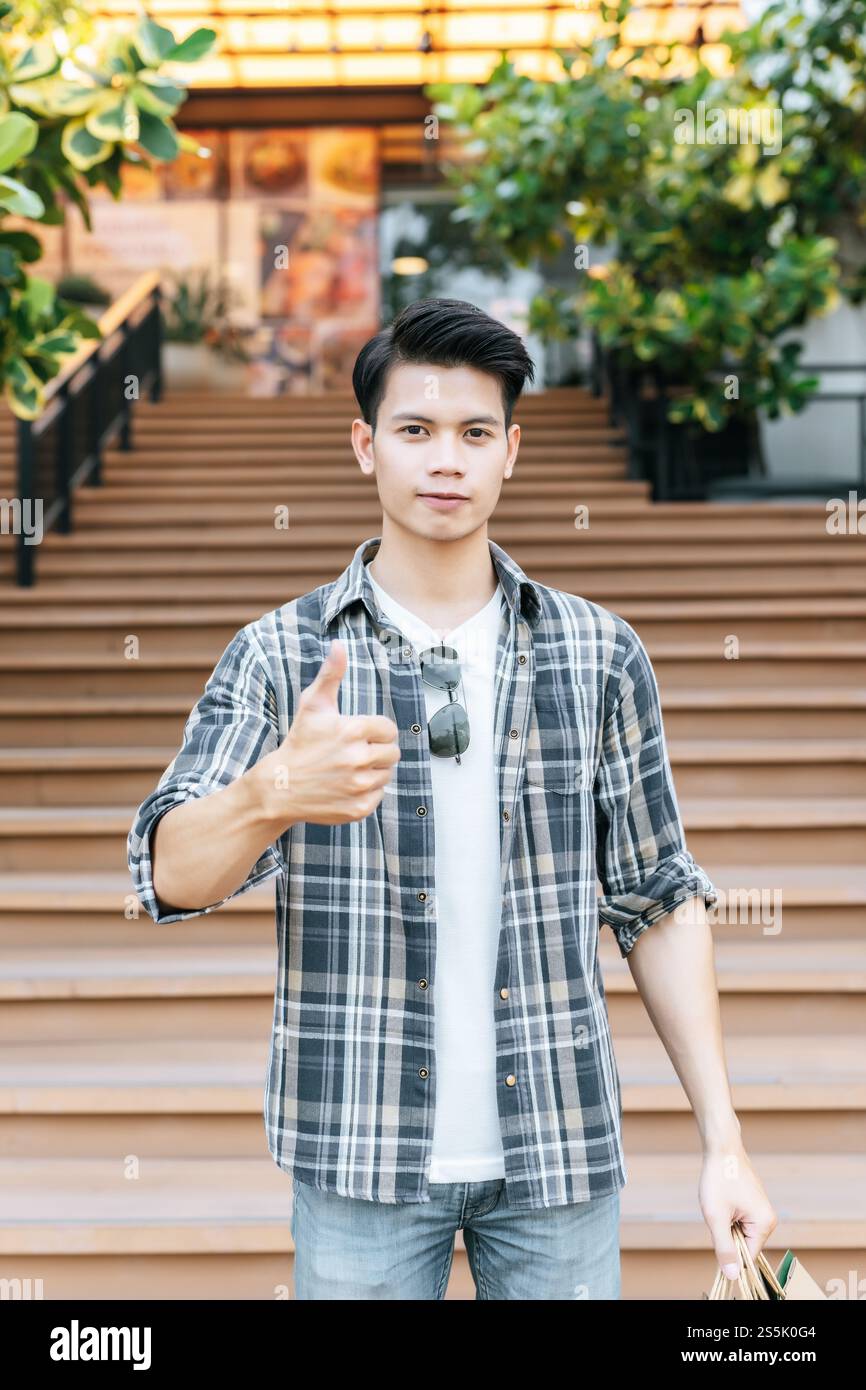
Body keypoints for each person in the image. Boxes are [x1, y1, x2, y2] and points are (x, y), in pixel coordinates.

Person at [128, 297, 777, 1300]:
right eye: (415, 430)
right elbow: (168, 873)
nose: (446, 459)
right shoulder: (281, 657)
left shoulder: (596, 653)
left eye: (474, 433)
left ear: (510, 452)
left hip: (555, 1154)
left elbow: (655, 898)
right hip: (359, 1159)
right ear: (364, 446)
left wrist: (722, 1140)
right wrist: (273, 792)